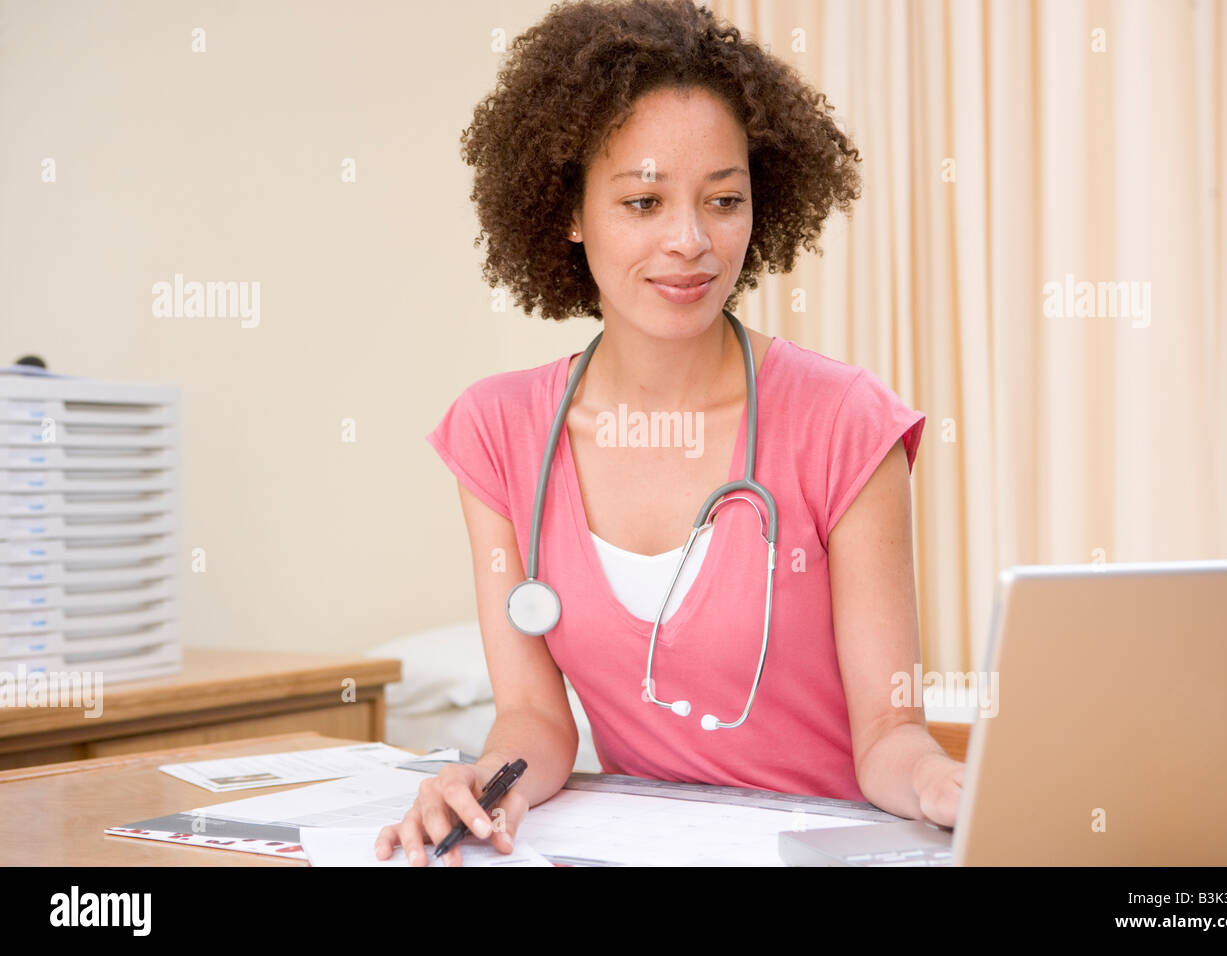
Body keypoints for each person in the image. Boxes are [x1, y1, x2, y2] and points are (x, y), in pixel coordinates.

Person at [377, 0, 963, 866]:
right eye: (644, 201)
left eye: (723, 199)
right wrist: (482, 782)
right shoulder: (499, 434)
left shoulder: (846, 423)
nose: (690, 242)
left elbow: (889, 733)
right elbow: (537, 719)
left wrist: (941, 784)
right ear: (569, 212)